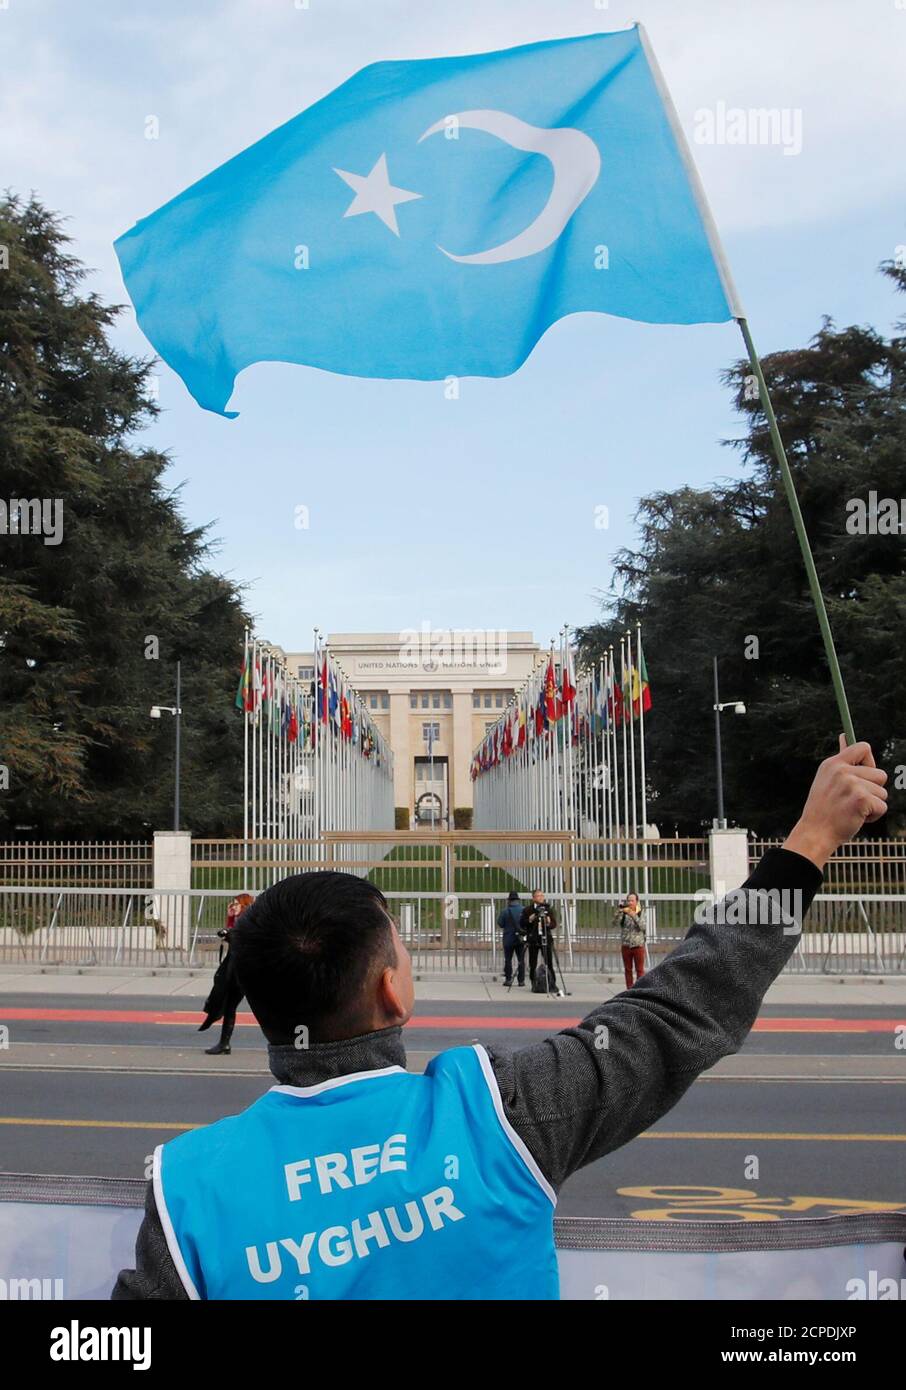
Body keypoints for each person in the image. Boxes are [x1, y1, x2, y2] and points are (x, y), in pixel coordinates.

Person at [112, 737, 886, 1301]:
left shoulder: (187, 1188)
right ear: (394, 992)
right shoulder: (496, 1115)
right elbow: (685, 1007)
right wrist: (810, 840)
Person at [197, 892, 254, 1056]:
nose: (232, 905)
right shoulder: (239, 920)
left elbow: (239, 939)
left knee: (242, 1006)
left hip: (242, 970)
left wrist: (230, 930)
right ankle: (224, 1043)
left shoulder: (247, 921)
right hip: (236, 968)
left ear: (244, 905)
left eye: (236, 903)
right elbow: (232, 937)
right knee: (230, 1005)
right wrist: (230, 919)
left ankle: (224, 1043)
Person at [521, 889, 559, 994]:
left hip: (546, 937)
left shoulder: (548, 909)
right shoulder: (528, 910)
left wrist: (548, 922)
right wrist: (530, 919)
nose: (541, 898)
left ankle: (552, 983)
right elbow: (522, 923)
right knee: (532, 963)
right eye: (538, 896)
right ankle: (534, 983)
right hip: (533, 938)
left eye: (542, 895)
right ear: (533, 898)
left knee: (549, 962)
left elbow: (554, 924)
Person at [614, 891, 646, 988]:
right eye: (628, 900)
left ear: (637, 901)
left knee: (639, 969)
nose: (630, 902)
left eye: (632, 900)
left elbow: (643, 926)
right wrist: (618, 913)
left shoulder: (640, 912)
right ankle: (629, 989)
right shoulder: (624, 912)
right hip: (626, 945)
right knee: (628, 969)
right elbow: (614, 923)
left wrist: (633, 915)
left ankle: (640, 989)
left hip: (638, 945)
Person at [497, 889, 526, 986]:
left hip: (508, 939)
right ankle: (521, 981)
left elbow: (500, 924)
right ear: (518, 900)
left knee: (508, 960)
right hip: (520, 939)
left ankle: (508, 979)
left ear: (509, 900)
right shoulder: (524, 910)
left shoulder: (505, 911)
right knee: (521, 960)